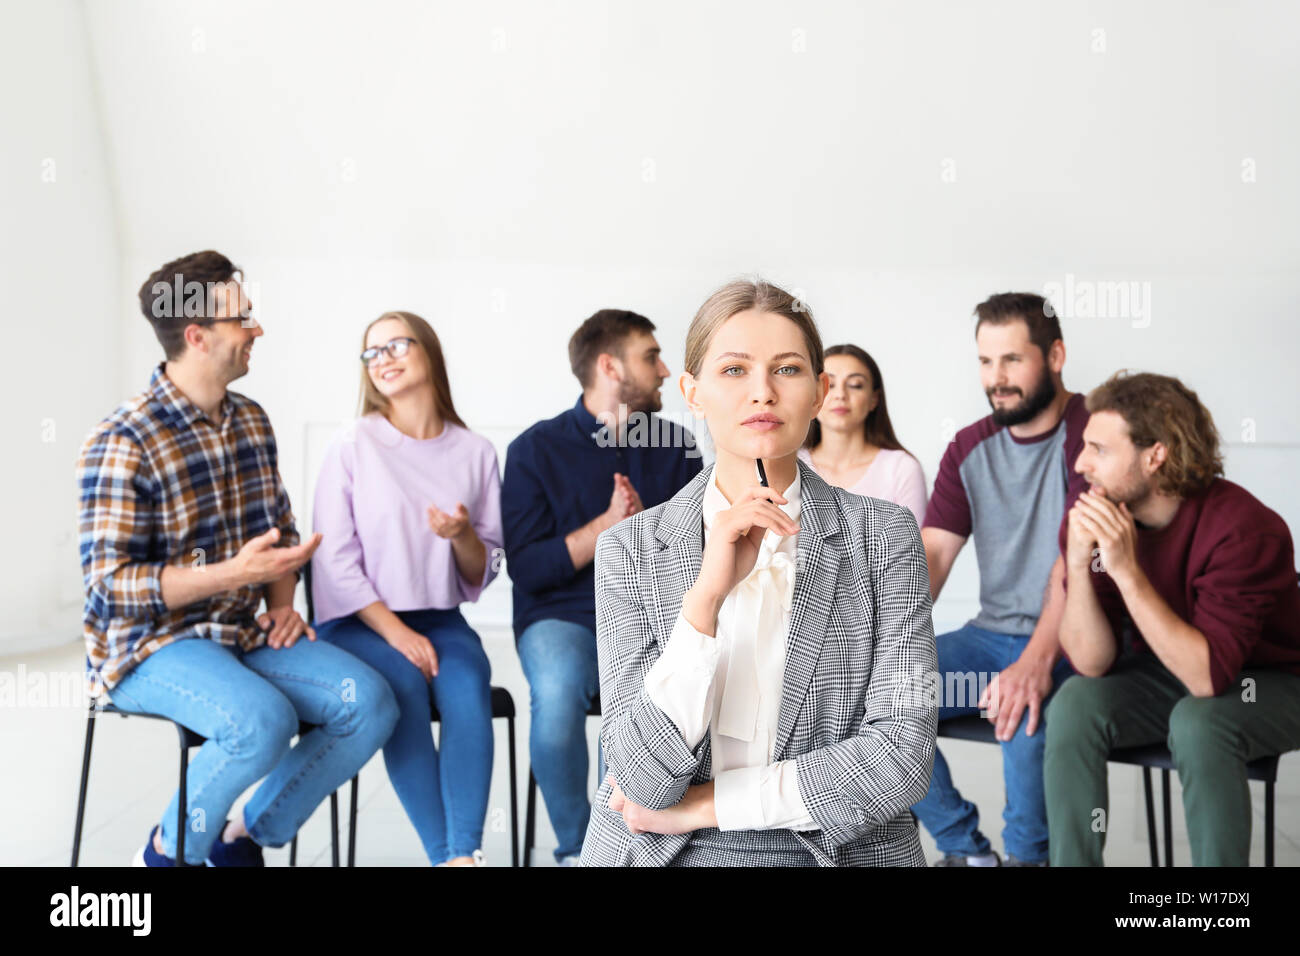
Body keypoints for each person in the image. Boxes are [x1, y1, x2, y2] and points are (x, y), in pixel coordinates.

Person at [580, 278, 938, 867]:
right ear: (692, 392)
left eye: (788, 369)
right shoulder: (631, 550)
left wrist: (709, 806)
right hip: (666, 854)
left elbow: (902, 758)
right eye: (734, 371)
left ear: (820, 391)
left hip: (835, 851)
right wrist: (705, 599)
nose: (763, 393)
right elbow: (642, 783)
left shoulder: (885, 537)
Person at [77, 250, 399, 867]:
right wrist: (233, 575)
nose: (257, 328)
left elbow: (278, 531)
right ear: (196, 335)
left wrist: (280, 603)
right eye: (242, 317)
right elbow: (109, 589)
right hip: (148, 644)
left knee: (369, 701)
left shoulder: (251, 421)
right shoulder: (122, 439)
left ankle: (240, 838)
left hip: (239, 630)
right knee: (261, 721)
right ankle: (171, 851)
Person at [1046, 371, 1300, 866]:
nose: (1080, 463)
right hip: (1174, 668)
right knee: (1076, 701)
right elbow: (1091, 662)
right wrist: (1079, 564)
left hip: (1274, 680)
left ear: (1155, 455)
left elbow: (1206, 679)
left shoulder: (1244, 530)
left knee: (1199, 721)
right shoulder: (1102, 517)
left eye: (1099, 449)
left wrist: (1126, 570)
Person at [501, 309, 702, 865]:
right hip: (561, 617)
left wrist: (642, 536)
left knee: (649, 708)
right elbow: (528, 569)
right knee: (560, 697)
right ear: (610, 366)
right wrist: (604, 531)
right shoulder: (533, 450)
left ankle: (637, 848)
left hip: (653, 616)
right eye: (651, 356)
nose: (665, 370)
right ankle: (578, 850)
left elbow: (699, 558)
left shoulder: (679, 449)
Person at [311, 311, 504, 867]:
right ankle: (448, 857)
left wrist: (462, 533)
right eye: (372, 352)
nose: (384, 358)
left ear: (429, 353)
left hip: (441, 619)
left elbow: (486, 567)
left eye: (397, 344)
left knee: (468, 685)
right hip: (358, 620)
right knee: (405, 690)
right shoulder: (352, 444)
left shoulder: (476, 452)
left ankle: (463, 853)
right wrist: (397, 634)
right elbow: (333, 562)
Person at [910, 291, 1087, 867]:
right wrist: (881, 643)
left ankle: (1028, 859)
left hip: (1077, 641)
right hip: (989, 638)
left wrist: (1035, 663)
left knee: (1024, 713)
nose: (997, 378)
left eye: (1012, 360)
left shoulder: (1092, 435)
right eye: (985, 362)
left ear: (1055, 355)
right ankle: (966, 851)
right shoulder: (968, 447)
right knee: (878, 691)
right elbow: (932, 558)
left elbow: (1075, 564)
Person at [799, 343, 927, 524]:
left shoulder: (901, 469)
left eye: (855, 385)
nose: (840, 395)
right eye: (830, 385)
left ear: (874, 399)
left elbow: (912, 549)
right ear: (815, 395)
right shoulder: (791, 465)